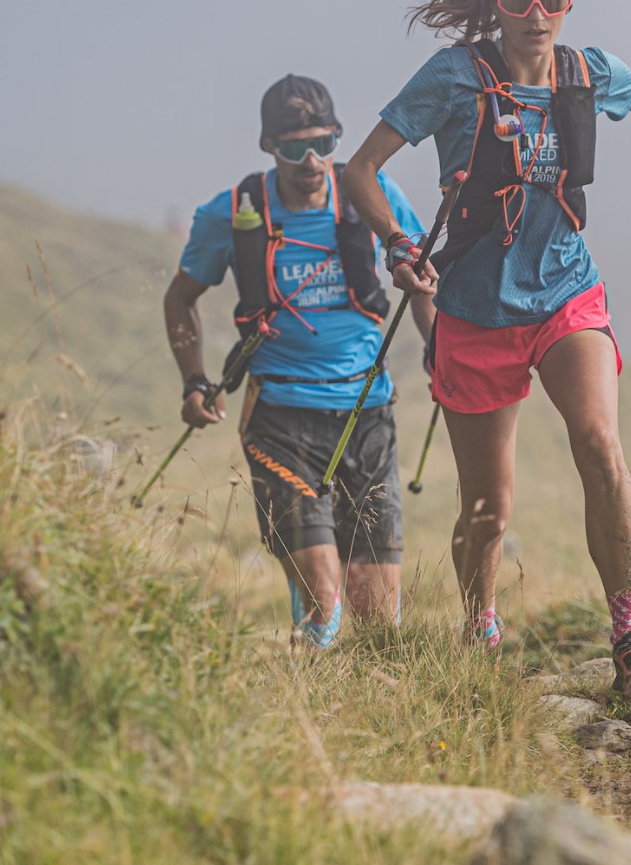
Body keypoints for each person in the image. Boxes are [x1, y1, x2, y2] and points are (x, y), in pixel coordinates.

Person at [340, 0, 631, 699]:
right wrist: (400, 246)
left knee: (601, 444)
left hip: (567, 293)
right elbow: (361, 172)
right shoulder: (452, 78)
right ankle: (480, 621)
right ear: (495, 2)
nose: (536, 14)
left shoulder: (586, 71)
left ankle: (630, 634)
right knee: (487, 512)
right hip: (474, 312)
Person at [163, 75, 432, 649]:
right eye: (293, 148)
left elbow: (425, 285)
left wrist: (442, 354)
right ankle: (305, 696)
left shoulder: (374, 195)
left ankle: (362, 719)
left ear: (338, 137)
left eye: (324, 143)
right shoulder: (233, 212)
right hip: (279, 418)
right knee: (326, 605)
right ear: (268, 146)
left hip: (367, 412)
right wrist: (194, 381)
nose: (311, 160)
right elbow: (179, 298)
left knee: (377, 620)